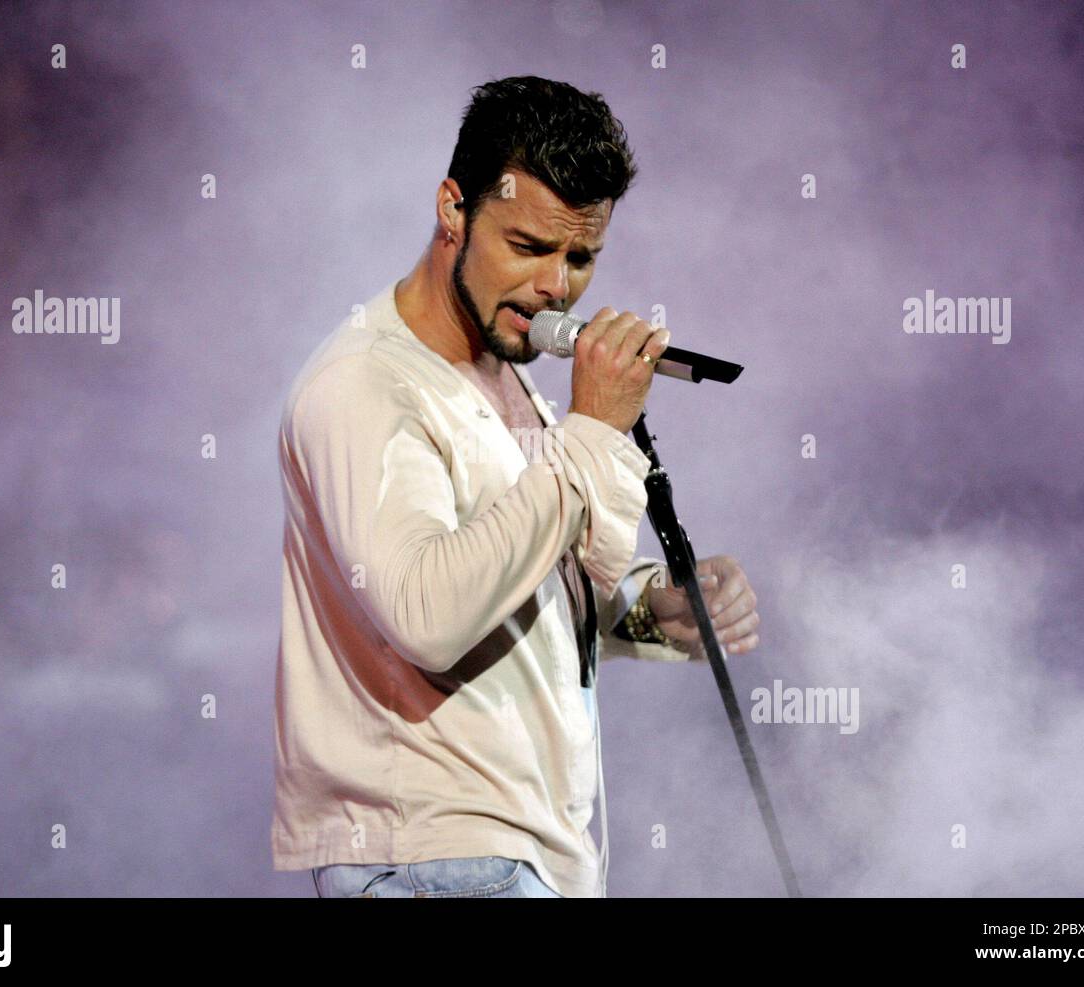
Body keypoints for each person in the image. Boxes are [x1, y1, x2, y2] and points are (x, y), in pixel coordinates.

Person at [274, 76, 761, 898]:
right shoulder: (366, 386)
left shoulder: (507, 373)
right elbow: (429, 617)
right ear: (452, 211)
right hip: (437, 854)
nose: (557, 287)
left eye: (581, 258)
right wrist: (594, 433)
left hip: (517, 849)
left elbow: (516, 579)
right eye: (530, 248)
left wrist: (650, 607)